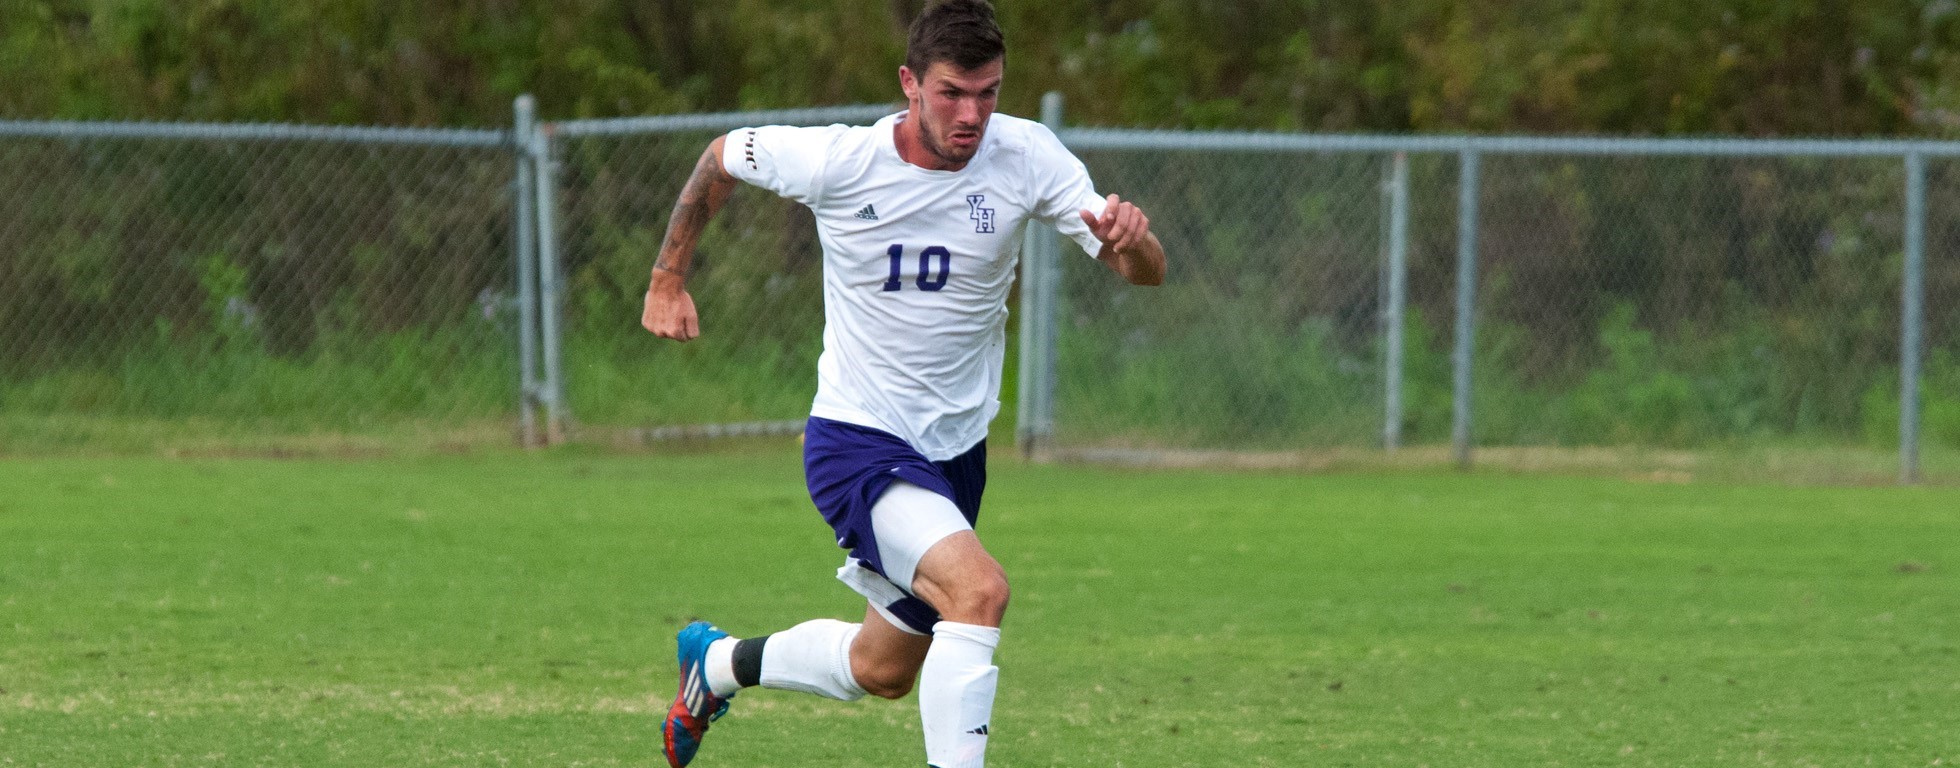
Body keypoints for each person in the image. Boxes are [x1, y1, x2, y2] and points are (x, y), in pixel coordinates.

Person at [639, 2, 1164, 766]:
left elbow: (1138, 271)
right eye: (953, 92)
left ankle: (716, 666)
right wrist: (666, 277)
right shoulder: (839, 159)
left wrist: (1135, 243)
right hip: (857, 439)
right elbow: (722, 155)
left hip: (954, 457)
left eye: (988, 93)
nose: (973, 113)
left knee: (878, 671)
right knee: (979, 592)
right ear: (909, 84)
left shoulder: (1027, 155)